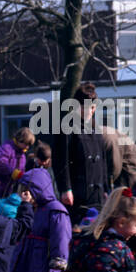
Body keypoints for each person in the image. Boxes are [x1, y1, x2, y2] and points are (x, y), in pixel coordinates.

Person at [46, 82, 110, 224]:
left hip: (96, 195)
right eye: (88, 107)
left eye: (94, 107)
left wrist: (105, 188)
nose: (92, 111)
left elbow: (103, 162)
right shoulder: (66, 129)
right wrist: (65, 188)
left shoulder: (96, 131)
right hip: (77, 193)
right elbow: (61, 160)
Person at [0, 126, 35, 199]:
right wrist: (13, 172)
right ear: (20, 140)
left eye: (29, 145)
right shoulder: (6, 148)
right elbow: (0, 163)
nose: (27, 147)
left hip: (5, 189)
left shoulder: (22, 156)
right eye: (26, 144)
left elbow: (21, 171)